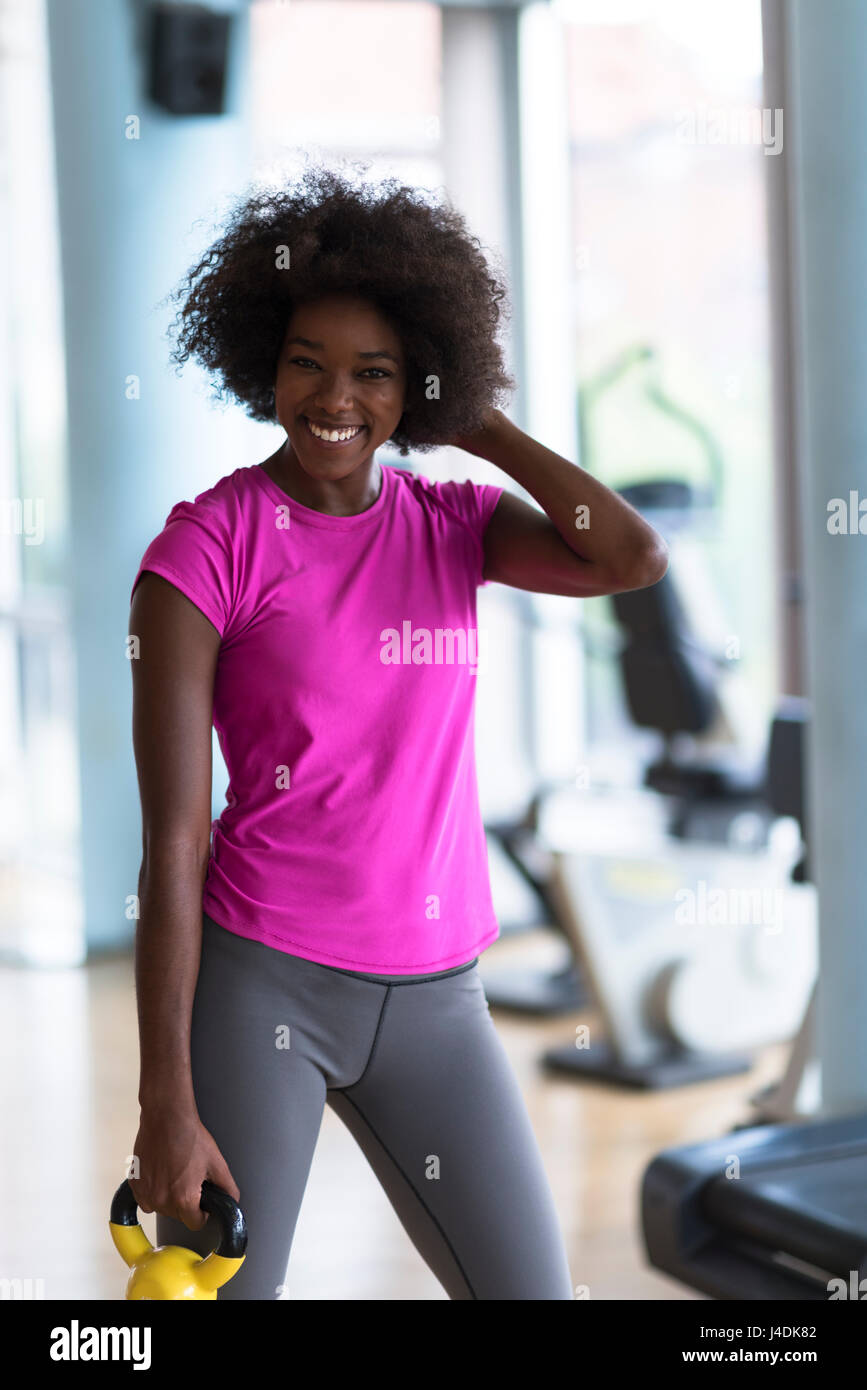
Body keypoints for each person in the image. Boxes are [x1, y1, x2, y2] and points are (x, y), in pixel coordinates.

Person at [127, 163, 668, 1300]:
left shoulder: (454, 525)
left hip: (440, 995)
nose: (336, 398)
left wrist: (483, 428)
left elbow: (627, 555)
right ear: (264, 363)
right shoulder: (205, 552)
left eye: (374, 374)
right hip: (265, 984)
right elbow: (175, 840)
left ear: (416, 386)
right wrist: (164, 1105)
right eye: (307, 364)